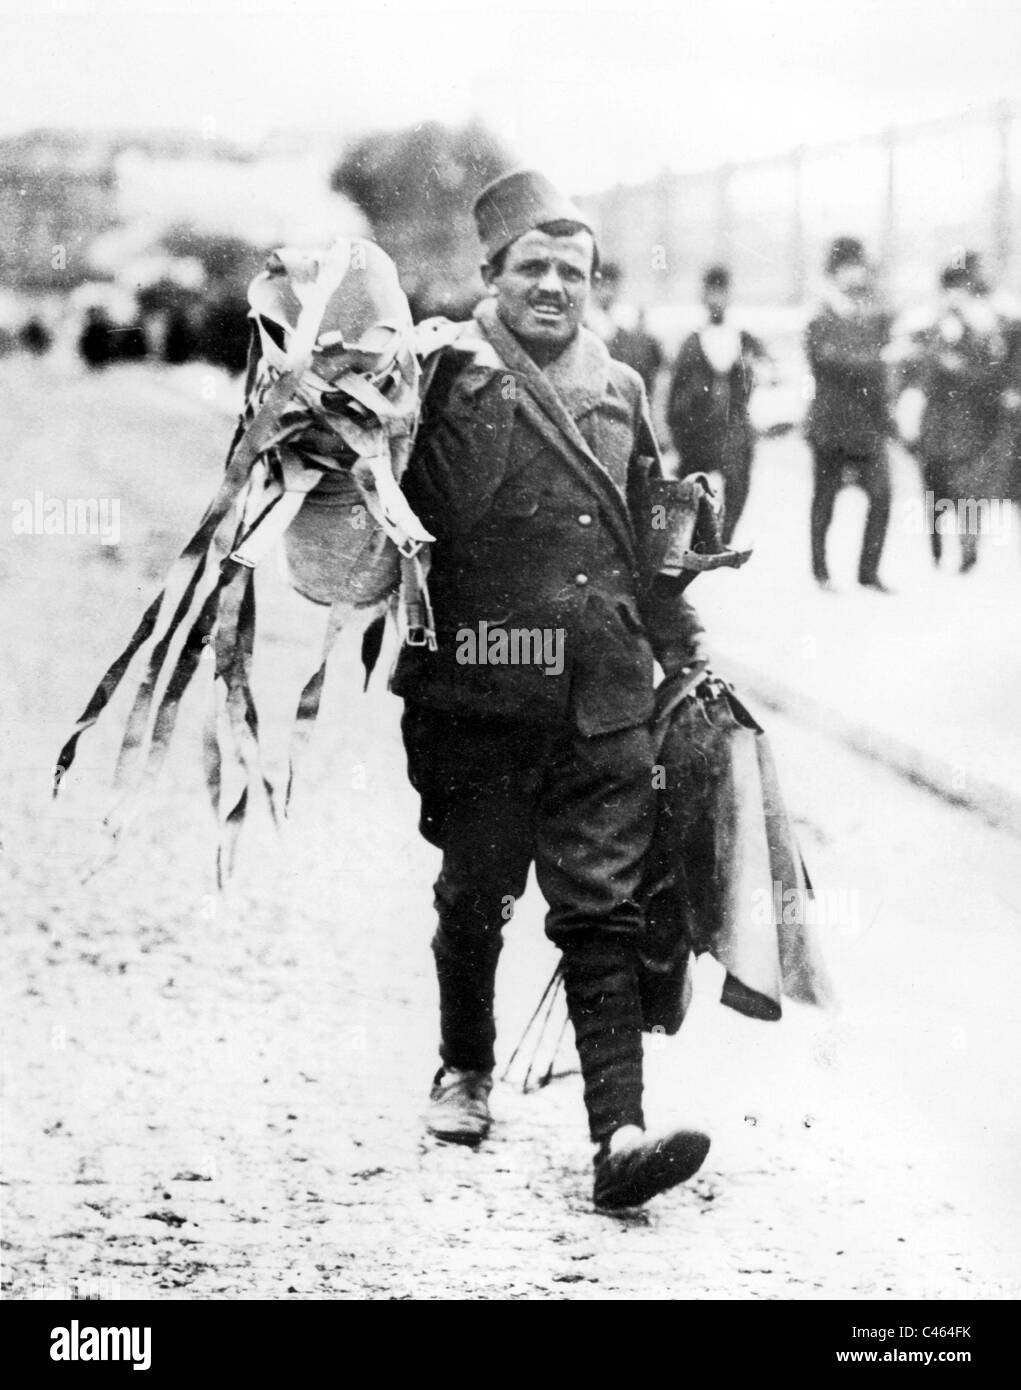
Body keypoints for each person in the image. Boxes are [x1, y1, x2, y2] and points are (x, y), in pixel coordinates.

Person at [391, 169, 712, 1210]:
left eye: (571, 271)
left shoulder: (619, 389)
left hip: (604, 689)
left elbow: (652, 544)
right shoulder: (439, 374)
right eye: (531, 267)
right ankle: (465, 1068)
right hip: (482, 687)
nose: (552, 287)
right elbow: (386, 507)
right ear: (490, 274)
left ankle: (617, 1132)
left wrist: (688, 654)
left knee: (602, 908)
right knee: (475, 889)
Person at [900, 252, 1010, 571]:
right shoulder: (929, 323)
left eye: (964, 287)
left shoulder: (988, 325)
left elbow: (994, 372)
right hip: (937, 417)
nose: (957, 294)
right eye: (952, 287)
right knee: (934, 482)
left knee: (970, 487)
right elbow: (915, 367)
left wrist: (962, 368)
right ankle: (936, 550)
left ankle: (968, 549)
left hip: (973, 418)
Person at [804, 237, 893, 592]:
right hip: (830, 423)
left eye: (860, 266)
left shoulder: (871, 313)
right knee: (825, 499)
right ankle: (821, 572)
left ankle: (867, 573)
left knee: (882, 494)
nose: (857, 274)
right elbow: (827, 360)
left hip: (867, 426)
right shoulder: (821, 315)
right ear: (835, 273)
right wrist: (877, 360)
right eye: (849, 267)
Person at [667, 265, 766, 545]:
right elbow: (676, 388)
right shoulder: (691, 341)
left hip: (732, 427)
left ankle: (721, 539)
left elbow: (765, 374)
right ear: (703, 297)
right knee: (688, 488)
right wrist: (676, 429)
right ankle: (688, 540)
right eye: (711, 293)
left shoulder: (743, 338)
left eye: (722, 293)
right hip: (697, 428)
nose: (716, 300)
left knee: (737, 483)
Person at [587, 261, 664, 397]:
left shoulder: (622, 329)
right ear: (593, 287)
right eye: (602, 286)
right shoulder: (585, 326)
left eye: (612, 287)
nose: (607, 293)